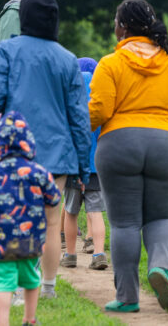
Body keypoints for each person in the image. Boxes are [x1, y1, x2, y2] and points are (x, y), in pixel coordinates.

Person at [0, 0, 92, 299]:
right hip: (56, 154)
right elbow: (78, 118)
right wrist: (84, 166)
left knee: (18, 216)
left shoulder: (5, 51)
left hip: (13, 149)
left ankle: (18, 288)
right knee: (48, 219)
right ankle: (48, 287)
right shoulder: (68, 59)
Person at [89, 0, 168, 313]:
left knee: (124, 224)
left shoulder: (110, 64)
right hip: (166, 144)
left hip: (119, 145)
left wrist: (76, 126)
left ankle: (128, 297)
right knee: (161, 216)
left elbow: (100, 110)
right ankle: (161, 267)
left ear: (122, 28)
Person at [0, 111, 62, 326]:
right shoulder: (39, 172)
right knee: (31, 278)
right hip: (31, 239)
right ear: (28, 142)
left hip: (1, 240)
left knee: (4, 282)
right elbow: (54, 198)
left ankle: (4, 323)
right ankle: (29, 319)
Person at [60, 57, 109, 271]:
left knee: (71, 212)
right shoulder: (101, 105)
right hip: (96, 168)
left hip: (72, 168)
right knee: (95, 211)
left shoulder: (68, 107)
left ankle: (70, 255)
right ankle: (99, 253)